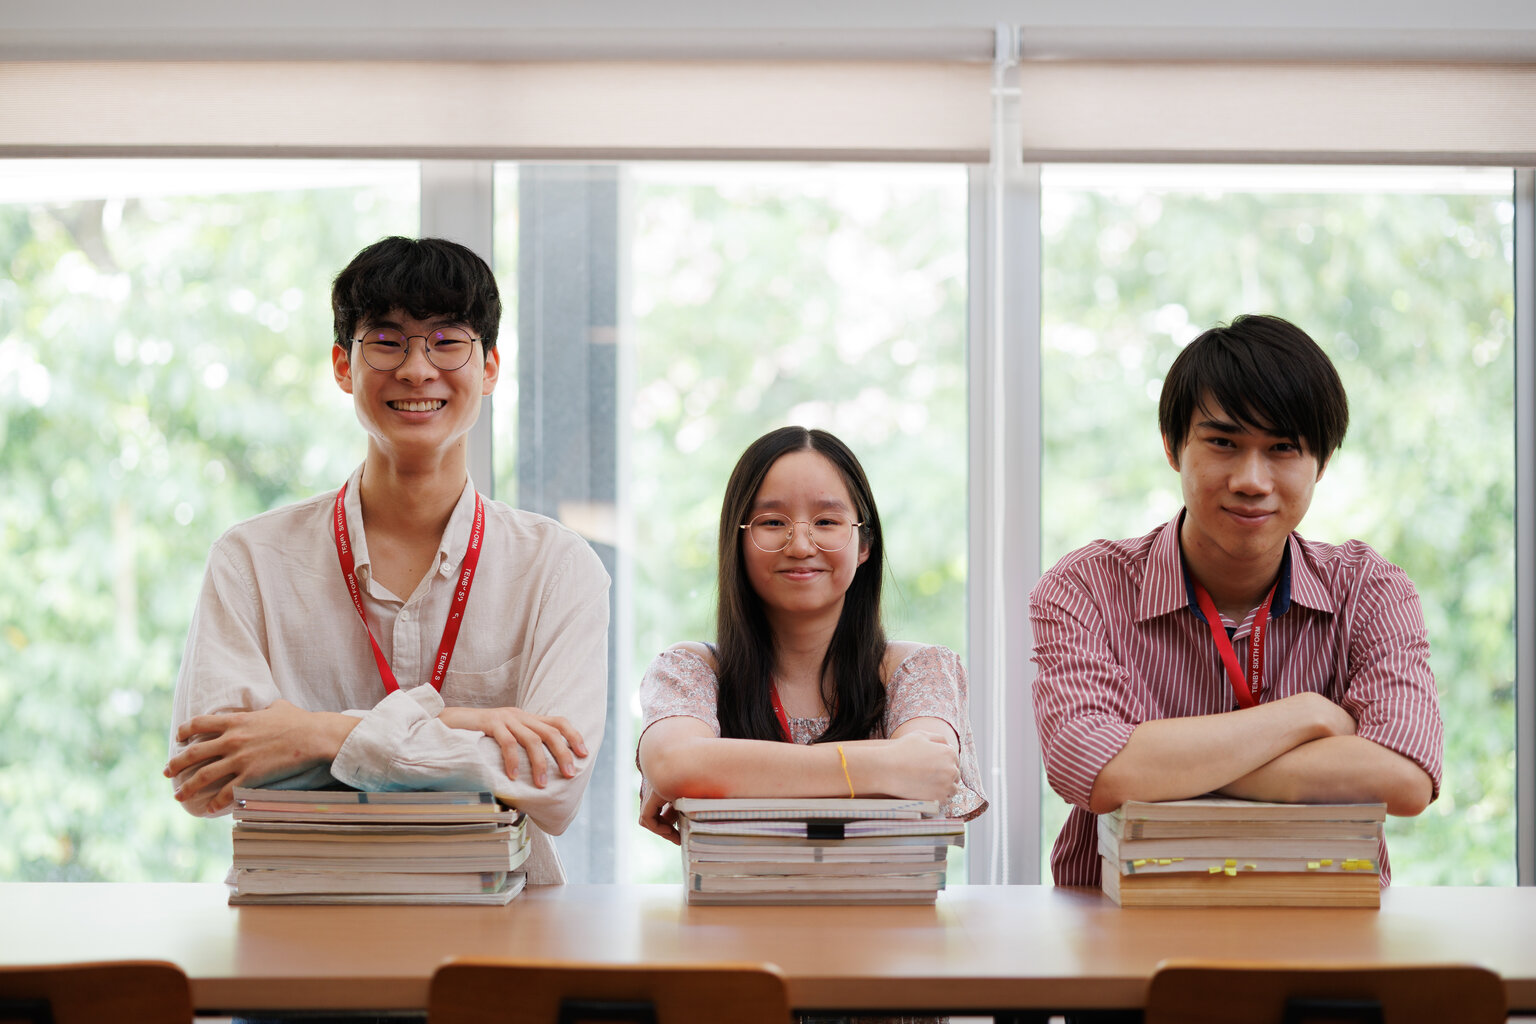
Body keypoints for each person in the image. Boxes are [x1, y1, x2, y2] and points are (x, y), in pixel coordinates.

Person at [166, 236, 609, 885]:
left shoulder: (557, 567)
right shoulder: (251, 559)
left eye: (446, 340)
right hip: (296, 927)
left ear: (488, 367)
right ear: (344, 366)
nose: (416, 369)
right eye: (388, 341)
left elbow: (553, 786)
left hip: (503, 930)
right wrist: (461, 727)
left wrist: (313, 737)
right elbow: (208, 774)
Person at [1030, 313, 1444, 888]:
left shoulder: (1369, 590)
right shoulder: (1087, 587)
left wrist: (1166, 767)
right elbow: (1094, 769)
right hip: (1122, 928)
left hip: (1324, 923)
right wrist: (1307, 716)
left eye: (1282, 447)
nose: (1251, 479)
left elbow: (1405, 780)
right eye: (1223, 442)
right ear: (1173, 447)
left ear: (1321, 463)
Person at [637, 425, 986, 845]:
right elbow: (674, 763)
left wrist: (721, 770)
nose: (800, 544)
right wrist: (886, 766)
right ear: (737, 540)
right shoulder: (690, 669)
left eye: (826, 520)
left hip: (886, 909)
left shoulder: (918, 669)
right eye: (771, 521)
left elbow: (932, 771)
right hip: (734, 908)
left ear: (863, 544)